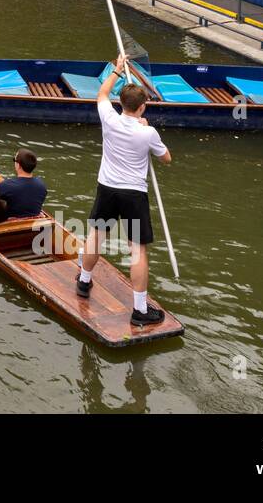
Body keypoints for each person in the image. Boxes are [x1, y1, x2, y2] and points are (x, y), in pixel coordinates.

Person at [75, 54, 172, 327]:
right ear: (142, 107)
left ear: (121, 104)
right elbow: (167, 159)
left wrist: (117, 70)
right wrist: (148, 128)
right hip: (133, 194)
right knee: (138, 250)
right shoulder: (147, 133)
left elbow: (102, 92)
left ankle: (84, 282)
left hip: (107, 188)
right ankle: (139, 310)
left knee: (96, 236)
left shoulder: (108, 117)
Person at [0, 148, 48, 218]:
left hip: (12, 226)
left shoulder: (6, 185)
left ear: (18, 165)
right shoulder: (42, 185)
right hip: (34, 224)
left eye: (14, 160)